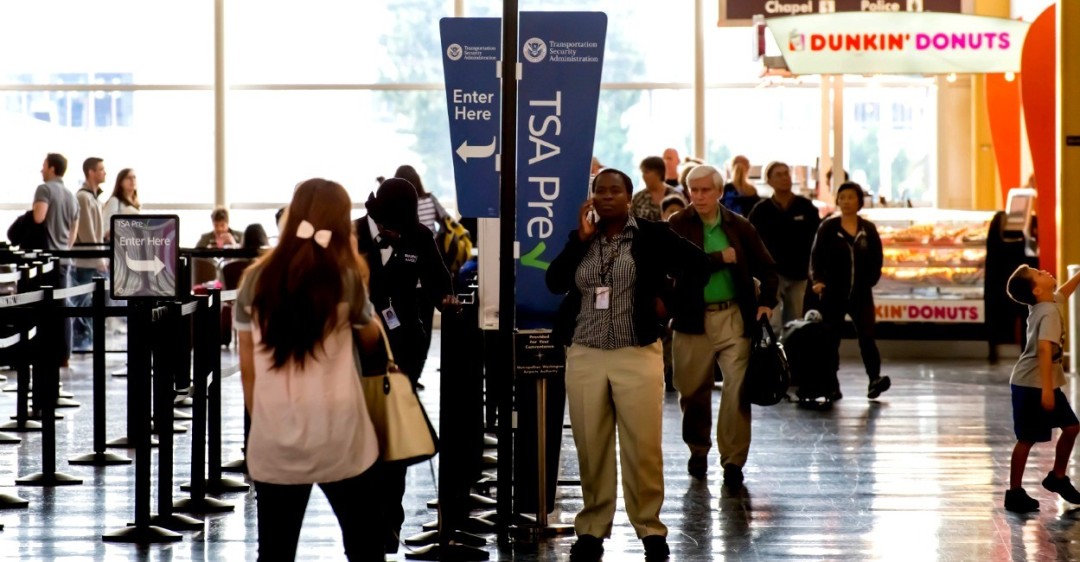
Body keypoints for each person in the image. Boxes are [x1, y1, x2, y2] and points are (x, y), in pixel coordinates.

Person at [547, 167, 708, 562]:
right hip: (585, 352)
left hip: (635, 352)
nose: (606, 196)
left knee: (642, 446)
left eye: (614, 190)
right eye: (599, 190)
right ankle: (591, 530)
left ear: (628, 196)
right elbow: (554, 281)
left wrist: (670, 305)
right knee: (591, 446)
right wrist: (580, 239)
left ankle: (650, 529)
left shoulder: (652, 235)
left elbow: (699, 265)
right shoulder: (583, 238)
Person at [235, 178, 385, 560]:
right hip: (341, 433)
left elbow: (248, 371)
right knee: (365, 547)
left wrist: (264, 421)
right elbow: (374, 342)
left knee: (275, 552)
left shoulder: (255, 280)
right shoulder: (345, 279)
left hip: (276, 437)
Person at [354, 177, 455, 553]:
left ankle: (389, 522)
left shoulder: (420, 236)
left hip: (405, 347)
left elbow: (440, 283)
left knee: (393, 430)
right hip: (357, 348)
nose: (394, 233)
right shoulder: (351, 237)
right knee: (362, 429)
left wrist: (448, 301)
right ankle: (363, 516)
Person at [668, 164, 778, 489]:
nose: (699, 196)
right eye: (694, 190)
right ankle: (698, 449)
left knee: (737, 389)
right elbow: (673, 267)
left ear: (719, 191)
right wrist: (718, 258)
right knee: (692, 392)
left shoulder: (739, 225)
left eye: (706, 190)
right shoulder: (677, 224)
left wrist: (766, 302)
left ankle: (733, 460)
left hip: (732, 315)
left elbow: (768, 267)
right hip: (691, 318)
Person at [1002, 265, 1080, 513]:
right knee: (1026, 439)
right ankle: (1014, 493)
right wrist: (1047, 390)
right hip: (1032, 384)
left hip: (1043, 382)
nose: (1044, 271)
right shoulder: (1047, 312)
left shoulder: (1049, 301)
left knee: (1071, 427)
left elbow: (1064, 292)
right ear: (1037, 290)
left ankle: (1058, 477)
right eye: (1038, 273)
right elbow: (1045, 349)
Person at [809, 181, 890, 400]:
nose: (846, 202)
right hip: (833, 293)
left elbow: (877, 256)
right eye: (842, 197)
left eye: (851, 197)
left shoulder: (868, 229)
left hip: (861, 294)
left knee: (867, 337)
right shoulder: (828, 227)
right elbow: (816, 257)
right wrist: (818, 280)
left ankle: (874, 379)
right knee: (831, 339)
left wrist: (871, 279)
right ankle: (831, 384)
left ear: (859, 201)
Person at [748, 161, 821, 334]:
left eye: (786, 173)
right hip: (772, 275)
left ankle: (791, 351)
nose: (784, 178)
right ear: (769, 181)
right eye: (779, 175)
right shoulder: (761, 211)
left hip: (799, 273)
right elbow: (751, 242)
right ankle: (773, 352)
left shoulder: (806, 207)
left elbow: (817, 241)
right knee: (772, 324)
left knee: (794, 324)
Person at [33, 153, 79, 367]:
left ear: (52, 168)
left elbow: (38, 217)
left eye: (44, 166)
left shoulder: (44, 190)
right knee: (63, 307)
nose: (41, 170)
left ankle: (46, 355)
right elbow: (73, 233)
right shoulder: (71, 195)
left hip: (48, 261)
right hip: (65, 259)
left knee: (46, 309)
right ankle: (64, 355)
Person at [72, 157, 108, 352]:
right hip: (86, 261)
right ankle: (83, 343)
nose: (104, 172)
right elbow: (87, 231)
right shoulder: (83, 197)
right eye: (101, 169)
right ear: (91, 172)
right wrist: (99, 258)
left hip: (94, 260)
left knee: (95, 302)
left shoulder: (95, 198)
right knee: (84, 303)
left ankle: (90, 342)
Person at [630, 156, 679, 222]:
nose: (643, 176)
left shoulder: (675, 195)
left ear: (659, 173)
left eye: (646, 172)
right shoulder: (638, 198)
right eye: (642, 172)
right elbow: (631, 222)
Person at [102, 168, 141, 241]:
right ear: (120, 182)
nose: (132, 180)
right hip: (119, 243)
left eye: (134, 177)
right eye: (128, 178)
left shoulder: (136, 203)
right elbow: (107, 228)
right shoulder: (115, 200)